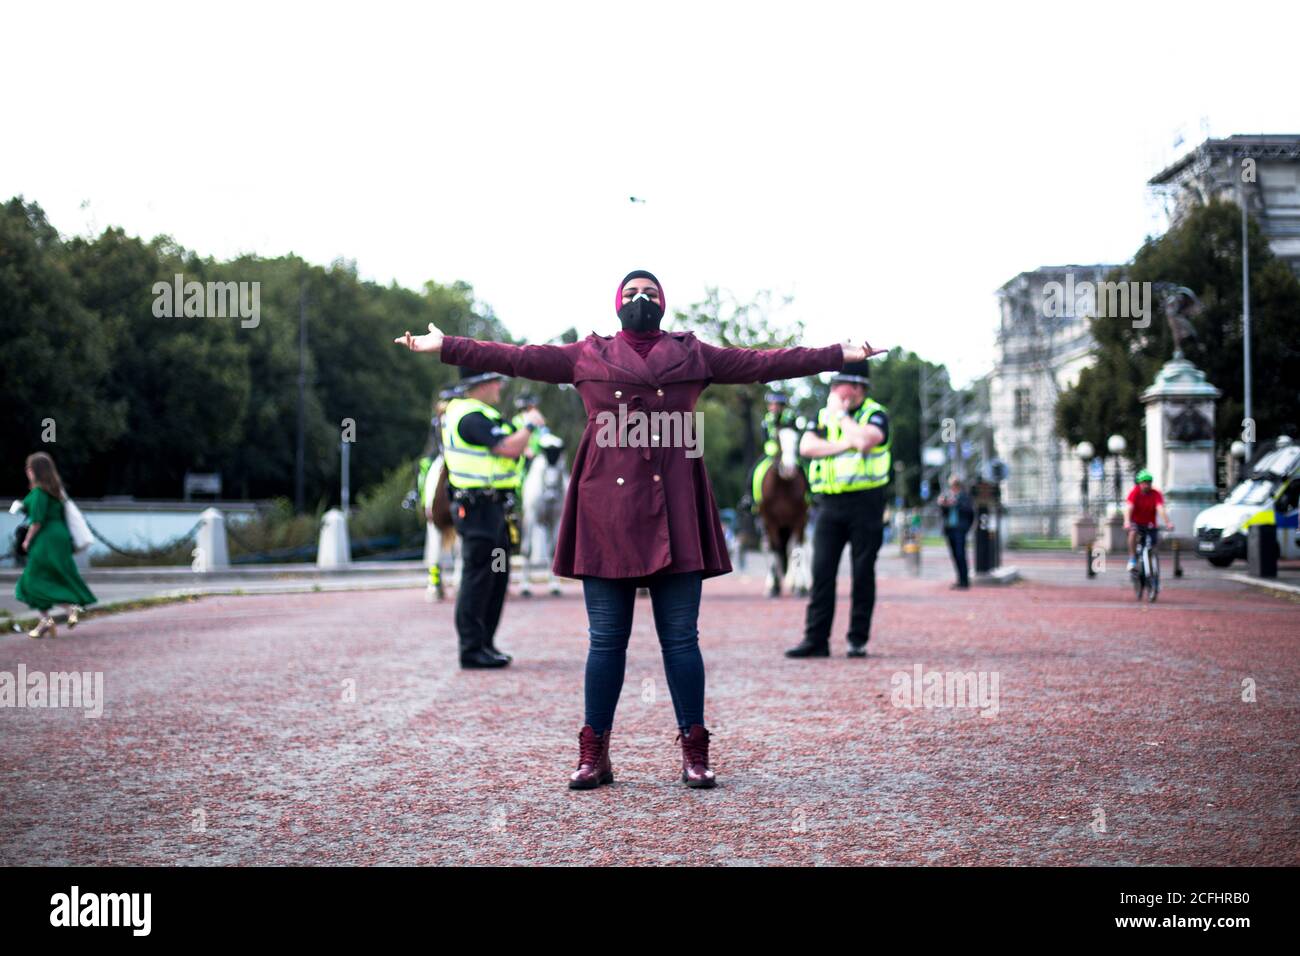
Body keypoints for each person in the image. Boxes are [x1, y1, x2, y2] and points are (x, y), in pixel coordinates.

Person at [398, 269, 882, 790]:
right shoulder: (587, 353)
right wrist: (446, 345)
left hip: (675, 504)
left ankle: (695, 753)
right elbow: (516, 356)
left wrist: (838, 354)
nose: (640, 299)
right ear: (616, 303)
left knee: (681, 639)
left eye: (650, 292)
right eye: (630, 293)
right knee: (605, 640)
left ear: (664, 302)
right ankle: (594, 755)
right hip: (607, 507)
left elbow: (767, 363)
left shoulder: (694, 353)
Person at [441, 366, 545, 668]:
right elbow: (508, 449)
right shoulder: (469, 416)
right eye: (496, 380)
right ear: (482, 383)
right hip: (477, 508)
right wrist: (530, 426)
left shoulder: (483, 414)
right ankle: (472, 648)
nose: (500, 386)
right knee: (478, 577)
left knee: (496, 578)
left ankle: (485, 644)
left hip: (494, 506)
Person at [786, 360, 891, 659]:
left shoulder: (876, 414)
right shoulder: (822, 415)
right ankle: (816, 639)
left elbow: (867, 441)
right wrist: (847, 443)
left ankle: (857, 639)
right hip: (829, 505)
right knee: (821, 572)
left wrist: (843, 418)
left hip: (866, 502)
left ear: (857, 387)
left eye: (838, 384)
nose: (831, 390)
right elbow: (807, 448)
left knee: (862, 572)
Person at [14, 452, 97, 639]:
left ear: (36, 471)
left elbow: (37, 521)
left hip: (44, 539)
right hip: (60, 537)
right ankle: (47, 621)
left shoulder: (38, 493)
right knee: (57, 575)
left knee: (30, 582)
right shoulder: (56, 491)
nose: (27, 471)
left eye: (29, 468)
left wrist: (27, 540)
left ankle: (66, 609)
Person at [750, 389, 801, 508]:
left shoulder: (790, 417)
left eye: (775, 404)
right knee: (754, 471)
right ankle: (751, 499)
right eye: (771, 404)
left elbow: (793, 432)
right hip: (771, 454)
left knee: (803, 468)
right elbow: (765, 438)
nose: (772, 407)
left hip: (788, 452)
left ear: (782, 406)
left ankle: (811, 494)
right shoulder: (766, 420)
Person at [1125, 468, 1174, 571]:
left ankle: (1152, 567)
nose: (1147, 485)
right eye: (1144, 483)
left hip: (1150, 524)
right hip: (1136, 523)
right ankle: (1132, 559)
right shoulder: (1135, 492)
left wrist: (1168, 522)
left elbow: (1160, 508)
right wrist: (1127, 521)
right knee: (1133, 533)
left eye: (1149, 482)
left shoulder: (1156, 494)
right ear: (1139, 483)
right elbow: (1129, 507)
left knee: (1153, 544)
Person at [937, 475, 975, 588]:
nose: (953, 487)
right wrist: (942, 504)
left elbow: (969, 512)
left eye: (955, 485)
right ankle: (960, 579)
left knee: (960, 554)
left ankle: (965, 581)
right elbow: (943, 512)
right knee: (954, 555)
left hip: (960, 529)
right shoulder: (948, 496)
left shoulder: (964, 497)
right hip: (950, 529)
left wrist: (956, 503)